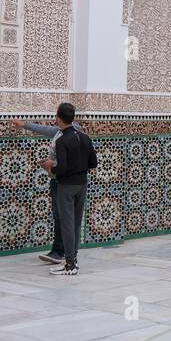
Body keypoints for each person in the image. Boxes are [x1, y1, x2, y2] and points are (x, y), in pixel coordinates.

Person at [11, 110, 83, 264]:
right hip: (59, 180)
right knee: (60, 217)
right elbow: (46, 130)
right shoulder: (61, 132)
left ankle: (63, 253)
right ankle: (62, 252)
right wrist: (24, 124)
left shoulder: (72, 134)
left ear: (59, 117)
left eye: (56, 115)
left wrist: (53, 165)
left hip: (65, 182)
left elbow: (72, 161)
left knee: (65, 218)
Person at [49, 103, 98, 277]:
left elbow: (61, 168)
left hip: (66, 186)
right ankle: (73, 259)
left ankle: (70, 264)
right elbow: (94, 163)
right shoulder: (85, 138)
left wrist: (50, 167)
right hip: (82, 185)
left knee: (68, 224)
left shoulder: (62, 141)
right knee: (76, 224)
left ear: (58, 118)